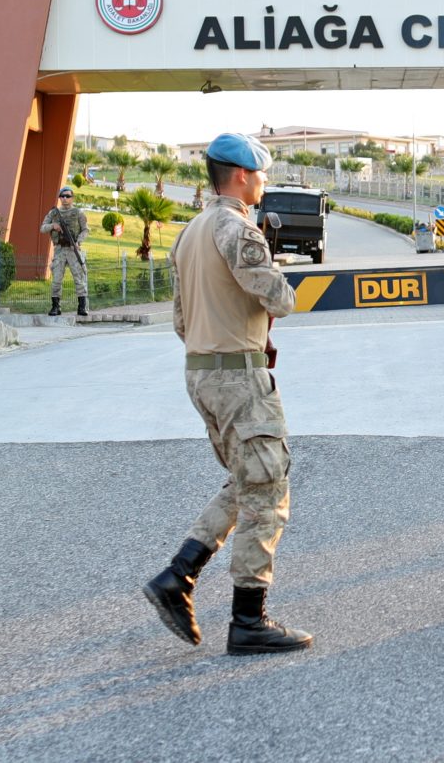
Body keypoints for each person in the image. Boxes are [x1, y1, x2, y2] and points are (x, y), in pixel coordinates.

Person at [143, 133, 311, 655]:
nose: (264, 181)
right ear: (241, 175)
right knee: (267, 490)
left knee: (246, 479)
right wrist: (274, 266)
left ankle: (179, 575)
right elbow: (280, 299)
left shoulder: (190, 231)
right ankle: (248, 620)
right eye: (261, 173)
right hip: (239, 378)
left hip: (202, 371)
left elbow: (180, 320)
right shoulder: (237, 228)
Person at [40, 186, 90, 318]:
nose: (65, 198)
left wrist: (78, 241)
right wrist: (53, 226)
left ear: (72, 198)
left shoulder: (78, 213)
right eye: (62, 196)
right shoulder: (53, 213)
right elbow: (42, 228)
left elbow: (85, 230)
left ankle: (82, 306)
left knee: (79, 278)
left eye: (67, 196)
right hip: (60, 250)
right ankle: (56, 306)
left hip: (73, 250)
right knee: (56, 279)